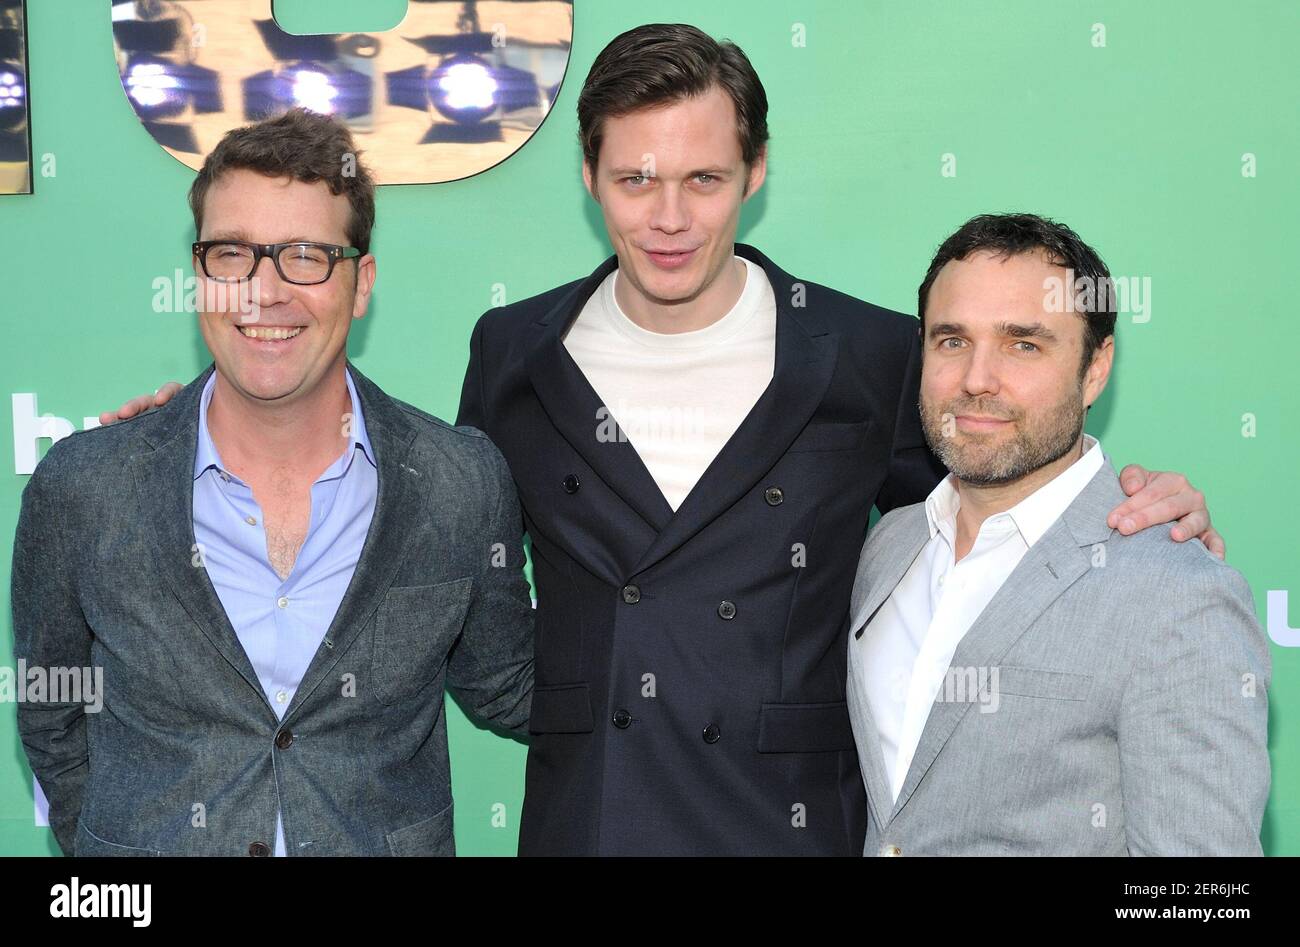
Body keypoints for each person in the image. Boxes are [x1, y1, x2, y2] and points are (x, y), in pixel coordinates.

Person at [100, 26, 1220, 856]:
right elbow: (425, 513)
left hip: (795, 829)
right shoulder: (515, 349)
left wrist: (1130, 505)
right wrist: (206, 424)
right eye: (634, 179)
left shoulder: (870, 350)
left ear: (756, 173)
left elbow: (995, 491)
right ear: (588, 179)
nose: (669, 216)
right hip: (592, 819)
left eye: (702, 178)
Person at [13, 109, 534, 856]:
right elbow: (50, 709)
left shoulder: (459, 479)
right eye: (232, 254)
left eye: (307, 255)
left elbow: (507, 682)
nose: (264, 291)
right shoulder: (86, 486)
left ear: (362, 283)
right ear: (199, 277)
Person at [847, 213, 1269, 855]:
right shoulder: (887, 546)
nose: (977, 379)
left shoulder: (1177, 595)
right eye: (952, 340)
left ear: (1096, 369)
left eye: (1024, 344)